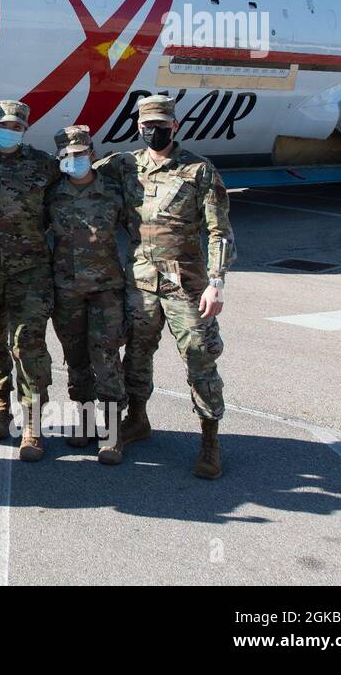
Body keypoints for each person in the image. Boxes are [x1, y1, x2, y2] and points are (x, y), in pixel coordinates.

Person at [96, 94, 235, 479]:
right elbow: (79, 175)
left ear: (175, 126)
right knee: (137, 354)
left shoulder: (198, 170)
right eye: (146, 126)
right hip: (139, 281)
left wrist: (217, 282)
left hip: (186, 283)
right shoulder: (124, 165)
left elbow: (219, 231)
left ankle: (210, 440)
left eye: (161, 125)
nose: (153, 131)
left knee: (199, 357)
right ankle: (137, 419)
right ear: (138, 127)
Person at [0, 100, 61, 461]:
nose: (11, 131)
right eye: (4, 125)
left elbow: (62, 206)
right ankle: (1, 408)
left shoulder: (43, 166)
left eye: (17, 127)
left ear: (25, 129)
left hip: (31, 270)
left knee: (29, 344)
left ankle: (33, 423)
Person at [44, 125, 128, 465]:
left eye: (81, 154)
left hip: (106, 288)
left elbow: (139, 232)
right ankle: (83, 418)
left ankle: (111, 432)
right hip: (67, 288)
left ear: (92, 153)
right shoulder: (53, 195)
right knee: (75, 358)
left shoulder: (113, 191)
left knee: (106, 357)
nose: (75, 160)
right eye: (68, 156)